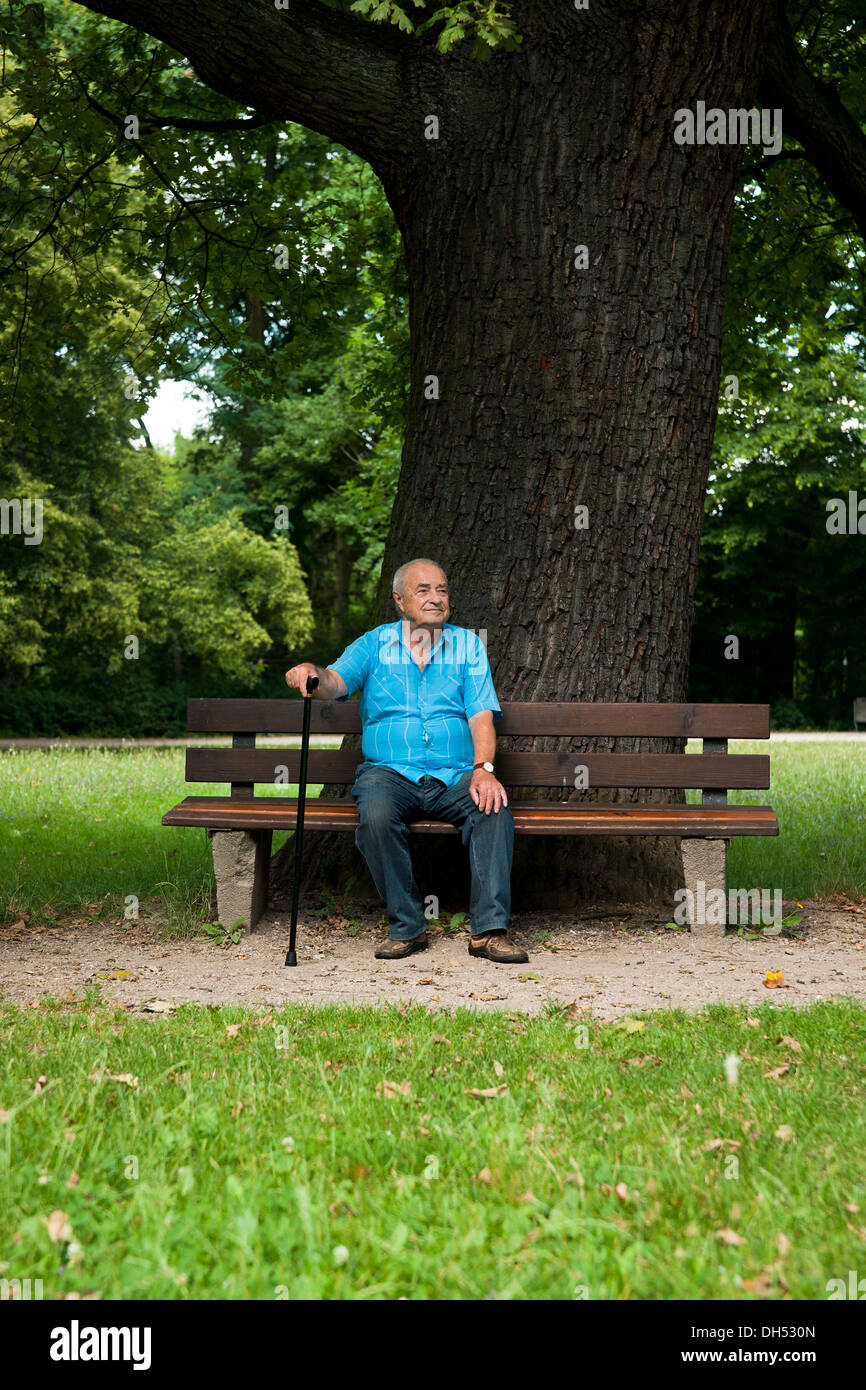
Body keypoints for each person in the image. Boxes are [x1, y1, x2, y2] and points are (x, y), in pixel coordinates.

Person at [285, 558, 528, 963]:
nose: (436, 599)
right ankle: (407, 927)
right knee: (376, 813)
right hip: (390, 774)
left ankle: (488, 931)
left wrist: (484, 770)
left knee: (493, 808)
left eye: (442, 590)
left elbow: (480, 714)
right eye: (424, 590)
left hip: (455, 775)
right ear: (399, 599)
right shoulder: (373, 645)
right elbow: (334, 682)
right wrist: (311, 672)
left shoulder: (468, 645)